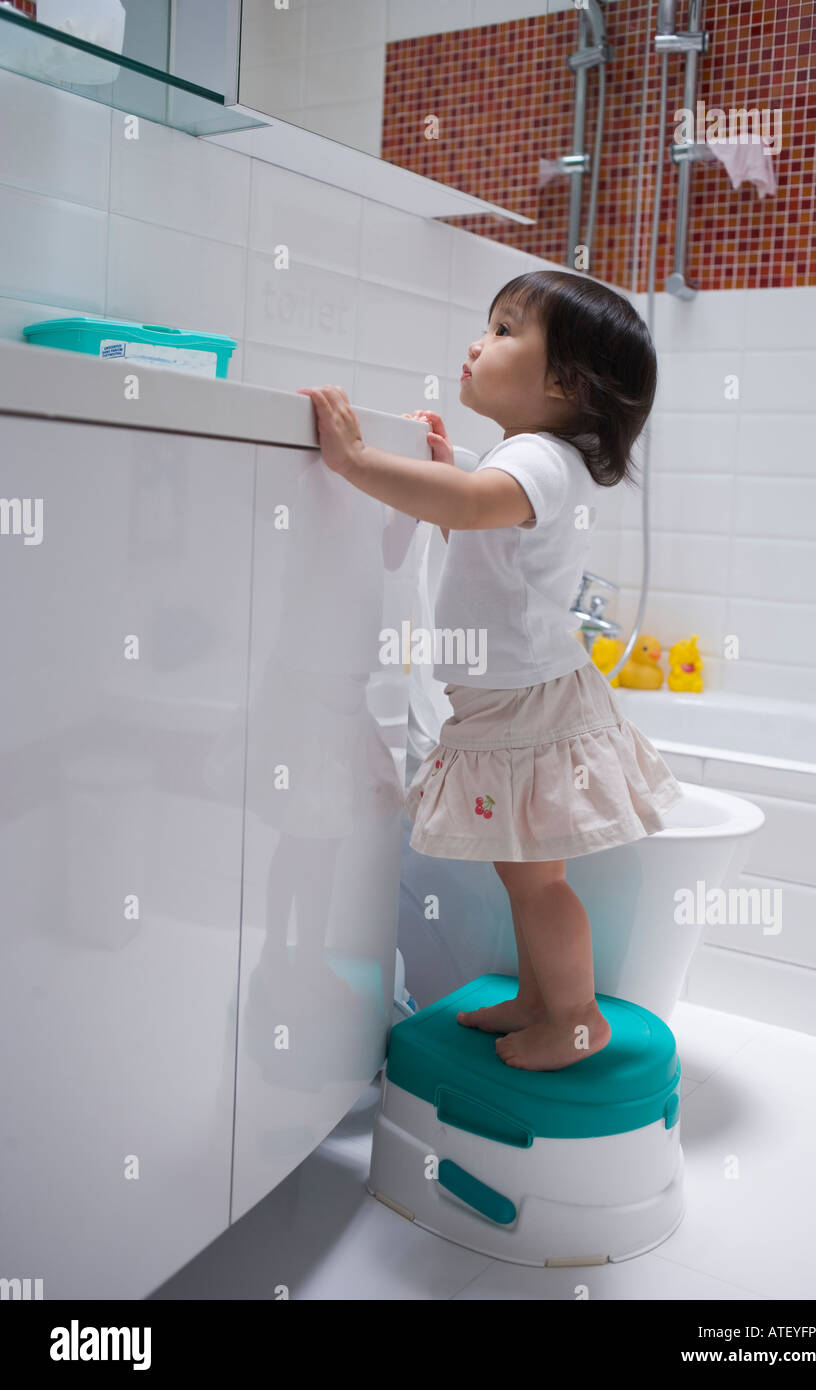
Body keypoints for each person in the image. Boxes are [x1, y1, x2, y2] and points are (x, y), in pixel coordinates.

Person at [298, 269, 684, 1073]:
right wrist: (445, 472)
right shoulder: (533, 460)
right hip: (517, 699)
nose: (480, 342)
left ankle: (577, 1019)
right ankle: (542, 1001)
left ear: (565, 381)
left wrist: (358, 459)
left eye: (507, 330)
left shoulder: (538, 461)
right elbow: (480, 543)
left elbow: (471, 507)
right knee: (526, 875)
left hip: (528, 709)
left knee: (540, 882)